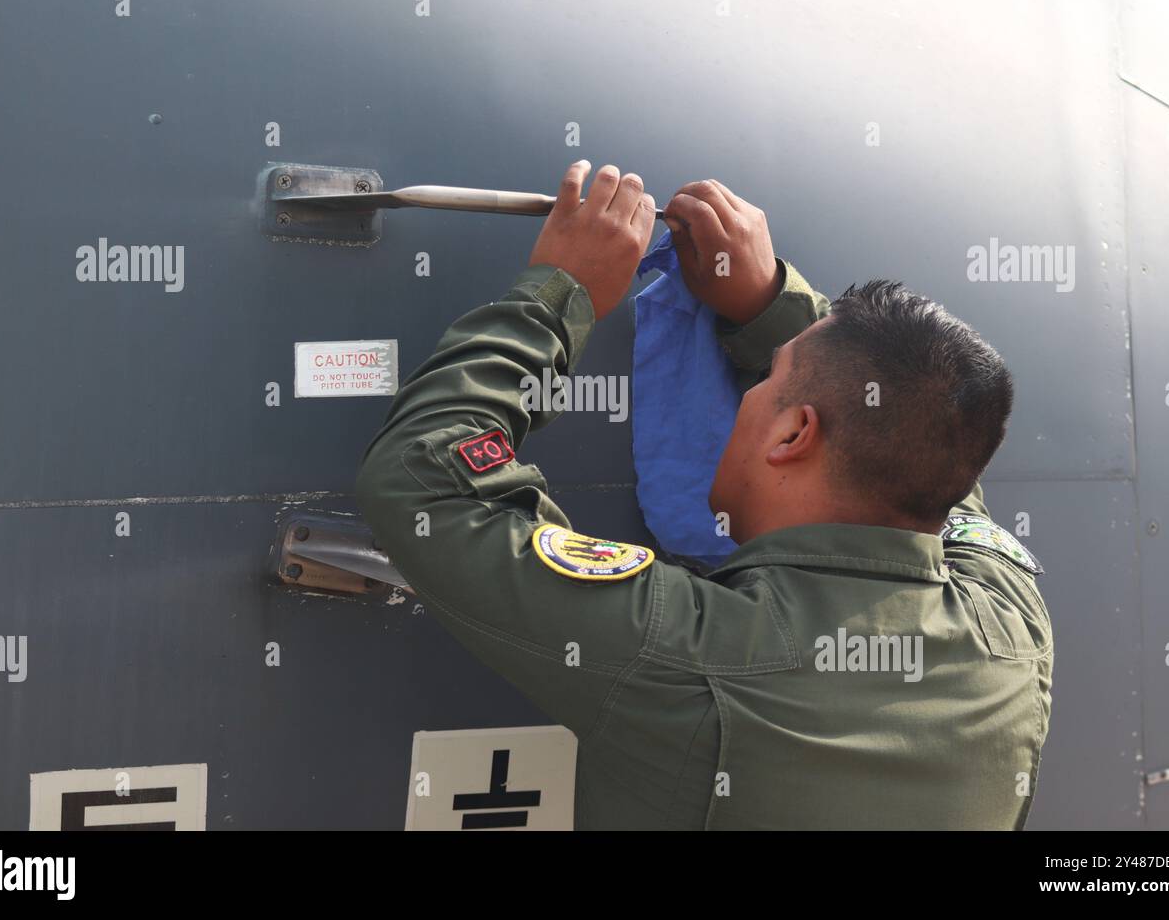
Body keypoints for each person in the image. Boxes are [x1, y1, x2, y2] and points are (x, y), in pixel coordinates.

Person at [355, 161, 1053, 829]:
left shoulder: (683, 649)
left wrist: (558, 293)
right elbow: (935, 464)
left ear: (792, 434)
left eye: (767, 380)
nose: (745, 393)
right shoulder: (1012, 628)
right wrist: (768, 307)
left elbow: (424, 480)